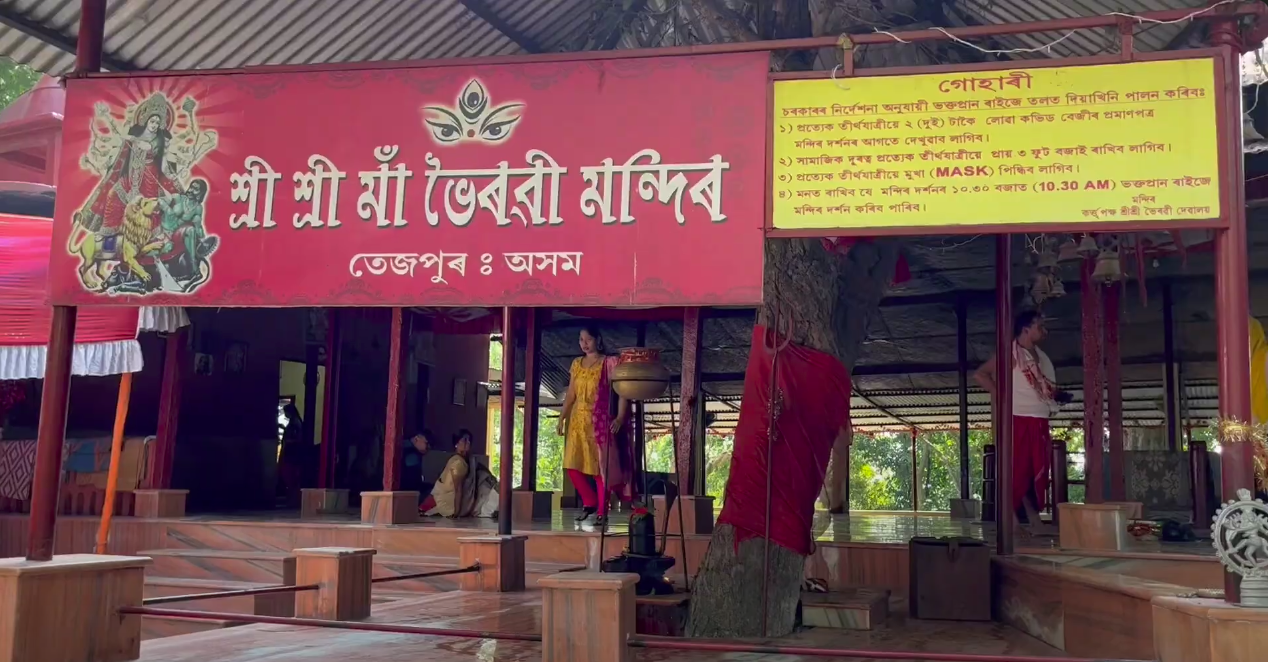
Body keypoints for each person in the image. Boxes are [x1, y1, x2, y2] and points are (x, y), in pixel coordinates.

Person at [974, 310, 1066, 535]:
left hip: (1039, 419)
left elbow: (1045, 388)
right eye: (1038, 326)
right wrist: (1001, 397)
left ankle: (1034, 522)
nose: (1043, 330)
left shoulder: (1041, 356)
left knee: (1035, 472)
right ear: (1026, 328)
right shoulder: (1011, 353)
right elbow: (980, 374)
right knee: (1017, 472)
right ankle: (1011, 520)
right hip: (1018, 419)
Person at [556, 325, 634, 527]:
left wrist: (619, 417)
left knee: (599, 468)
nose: (584, 344)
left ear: (597, 340)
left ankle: (602, 510)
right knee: (572, 466)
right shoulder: (576, 364)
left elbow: (623, 391)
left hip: (598, 422)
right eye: (581, 340)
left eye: (588, 340)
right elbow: (571, 394)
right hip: (577, 422)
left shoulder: (609, 363)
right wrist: (561, 417)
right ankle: (590, 501)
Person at [421, 429, 498, 518]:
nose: (467, 443)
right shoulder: (458, 462)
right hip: (450, 504)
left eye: (469, 441)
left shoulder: (469, 461)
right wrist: (456, 512)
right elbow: (458, 489)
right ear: (456, 444)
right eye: (464, 440)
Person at [277, 403, 305, 506]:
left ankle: (293, 499)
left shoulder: (295, 423)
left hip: (292, 453)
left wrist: (287, 441)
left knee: (290, 476)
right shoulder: (295, 422)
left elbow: (296, 438)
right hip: (292, 452)